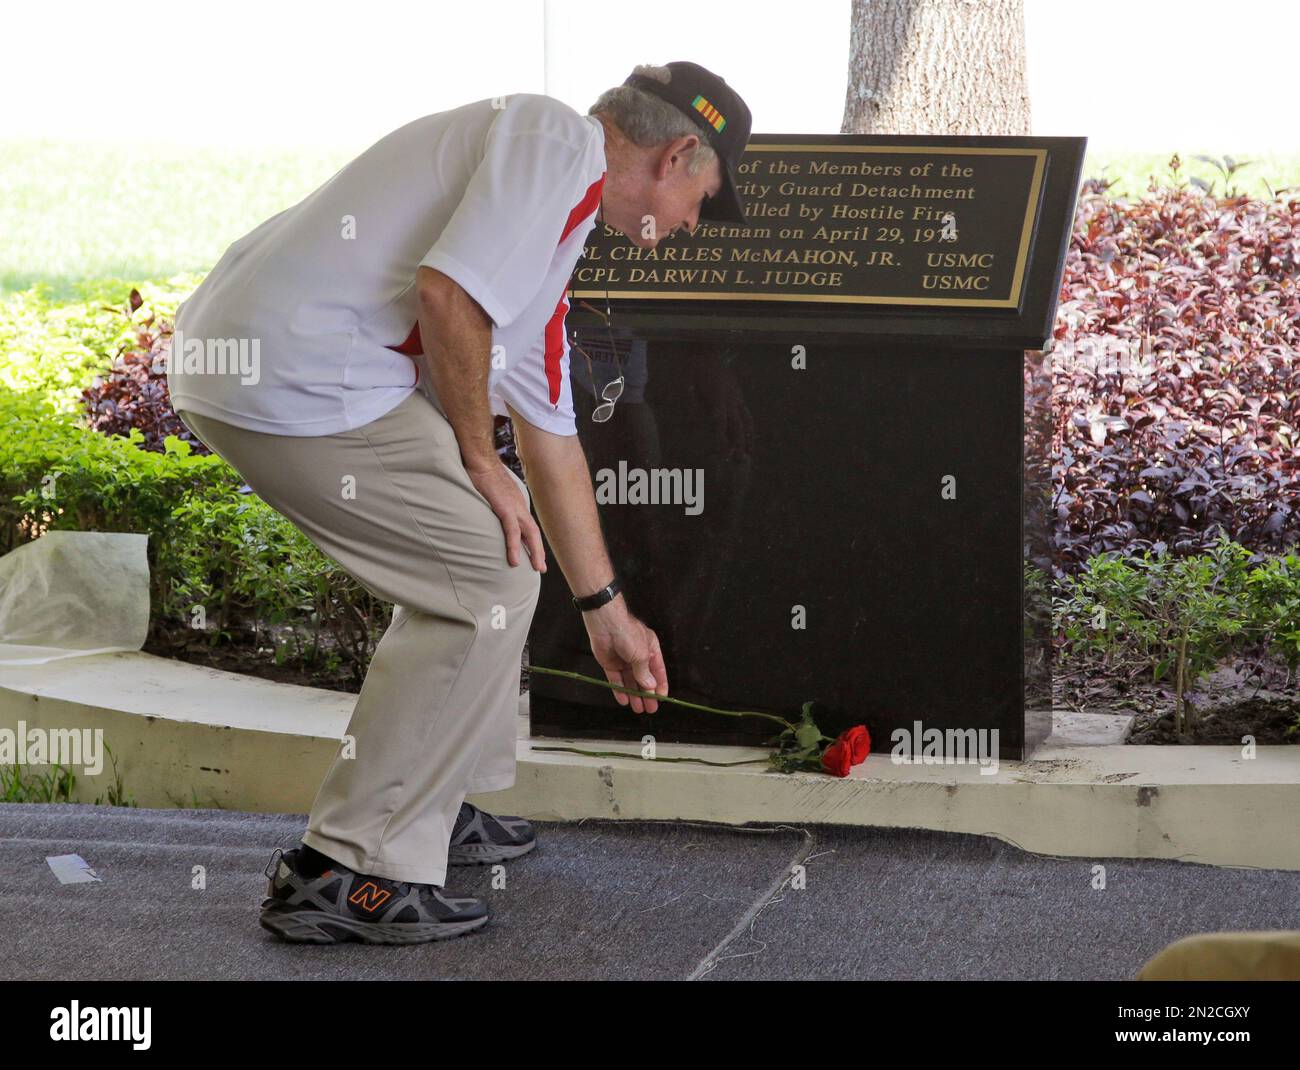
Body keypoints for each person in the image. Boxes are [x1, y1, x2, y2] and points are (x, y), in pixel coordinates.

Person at [165, 60, 753, 945]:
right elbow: (447, 296)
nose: (686, 226)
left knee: (499, 559)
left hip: (273, 359)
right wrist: (480, 457)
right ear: (675, 156)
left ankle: (427, 805)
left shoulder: (543, 232)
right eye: (700, 201)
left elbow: (553, 439)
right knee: (485, 577)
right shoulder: (559, 141)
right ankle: (352, 866)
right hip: (295, 375)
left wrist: (606, 615)